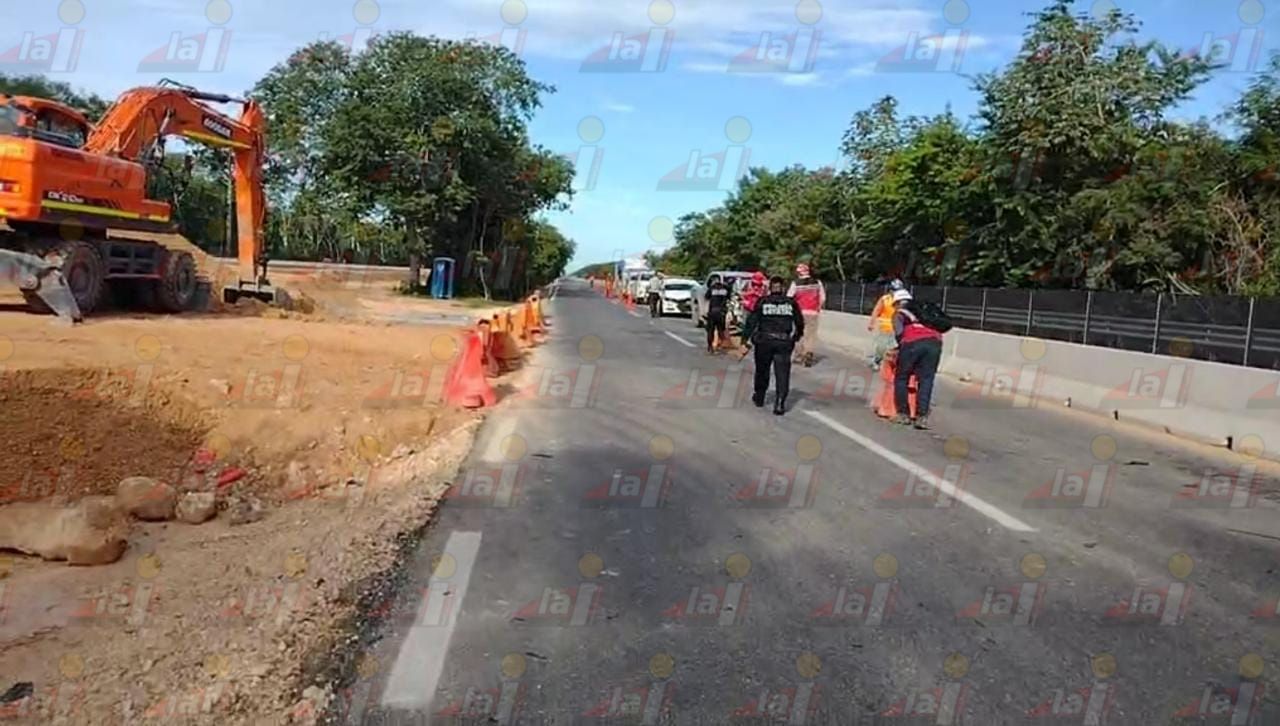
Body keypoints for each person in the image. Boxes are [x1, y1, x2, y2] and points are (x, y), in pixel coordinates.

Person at [741, 276, 805, 416]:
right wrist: (796, 337)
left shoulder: (763, 301)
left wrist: (744, 339)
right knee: (782, 373)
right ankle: (780, 403)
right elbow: (799, 322)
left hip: (764, 341)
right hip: (784, 341)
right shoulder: (790, 303)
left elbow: (752, 321)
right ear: (783, 288)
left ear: (769, 288)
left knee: (762, 370)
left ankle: (759, 397)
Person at [891, 289, 944, 429]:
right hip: (935, 343)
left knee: (902, 377)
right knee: (926, 380)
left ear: (897, 302)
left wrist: (899, 349)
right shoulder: (924, 311)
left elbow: (900, 335)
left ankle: (903, 414)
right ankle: (922, 417)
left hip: (913, 343)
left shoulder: (899, 313)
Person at [787, 263, 826, 367]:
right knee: (811, 335)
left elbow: (789, 298)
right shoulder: (817, 282)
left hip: (799, 312)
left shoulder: (796, 283)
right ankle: (808, 352)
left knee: (799, 333)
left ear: (799, 272)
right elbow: (822, 298)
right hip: (813, 312)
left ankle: (799, 355)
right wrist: (818, 307)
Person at [867, 279, 904, 370]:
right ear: (890, 290)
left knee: (896, 347)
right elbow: (876, 310)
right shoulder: (885, 299)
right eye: (894, 290)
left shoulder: (903, 300)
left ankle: (894, 365)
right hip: (885, 327)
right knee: (882, 346)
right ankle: (877, 361)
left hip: (898, 329)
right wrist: (872, 323)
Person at [703, 274, 731, 354]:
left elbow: (706, 297)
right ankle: (720, 345)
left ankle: (710, 346)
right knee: (721, 329)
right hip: (721, 312)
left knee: (710, 330)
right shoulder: (726, 289)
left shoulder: (712, 288)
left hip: (712, 311)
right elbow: (729, 298)